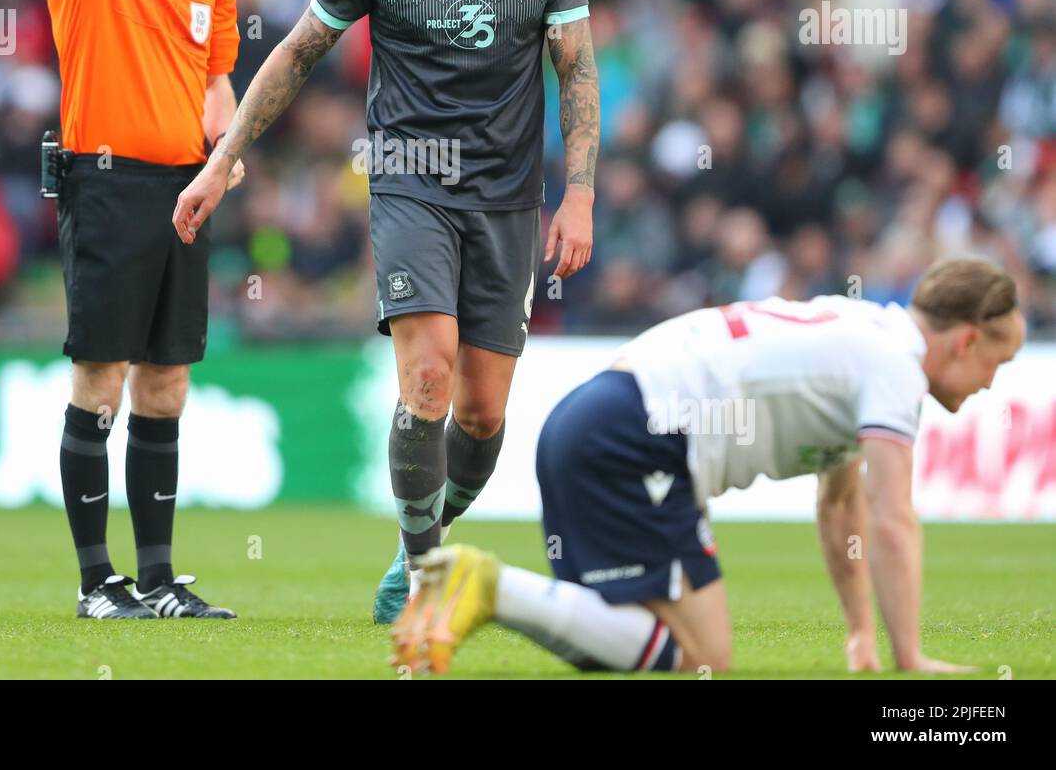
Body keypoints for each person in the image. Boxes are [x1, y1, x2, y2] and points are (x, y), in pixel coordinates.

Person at [171, 0, 600, 623]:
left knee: (481, 413)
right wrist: (222, 161)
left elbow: (575, 67)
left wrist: (579, 193)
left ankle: (422, 537)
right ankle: (426, 570)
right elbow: (298, 52)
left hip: (509, 197)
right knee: (429, 376)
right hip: (409, 179)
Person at [392, 257, 1026, 675]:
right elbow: (891, 520)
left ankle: (489, 588)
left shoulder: (866, 333)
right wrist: (911, 660)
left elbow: (843, 507)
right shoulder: (896, 367)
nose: (989, 386)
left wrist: (864, 636)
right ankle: (491, 584)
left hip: (594, 420)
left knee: (626, 640)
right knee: (703, 657)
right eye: (995, 364)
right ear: (966, 339)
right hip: (639, 439)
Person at [42, 0, 242, 620]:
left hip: (183, 191)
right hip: (109, 180)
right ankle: (96, 584)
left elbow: (215, 84)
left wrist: (224, 156)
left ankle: (157, 580)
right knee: (103, 380)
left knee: (166, 383)